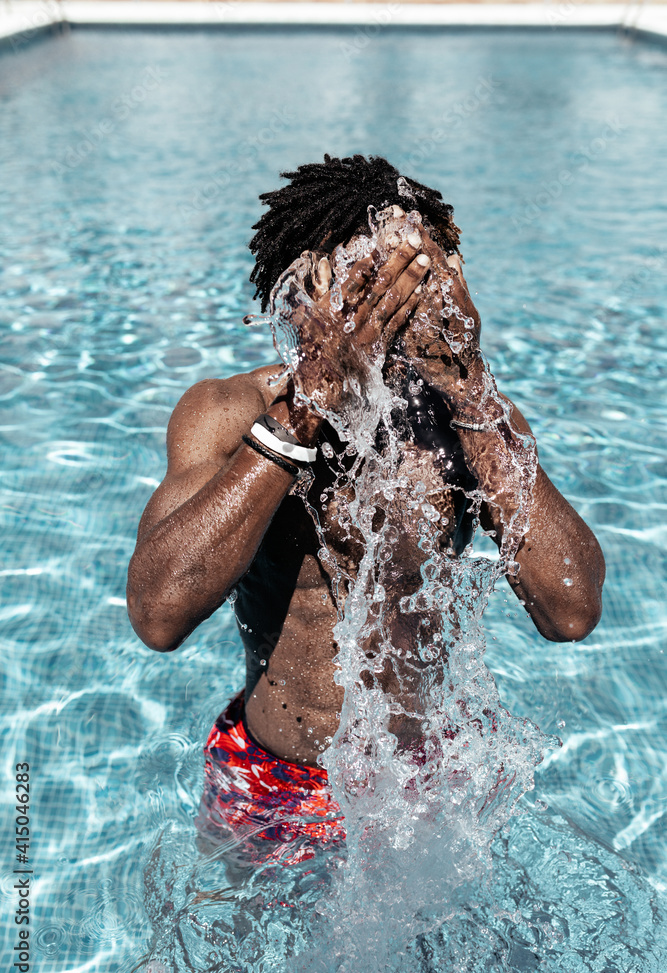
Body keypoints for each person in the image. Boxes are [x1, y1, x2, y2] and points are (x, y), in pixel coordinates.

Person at [126, 154, 605, 866]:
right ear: (295, 298)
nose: (389, 318)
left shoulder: (474, 420)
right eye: (365, 291)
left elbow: (568, 611)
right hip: (275, 780)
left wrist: (470, 389)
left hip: (427, 779)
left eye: (417, 285)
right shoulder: (230, 413)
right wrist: (301, 416)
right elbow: (158, 615)